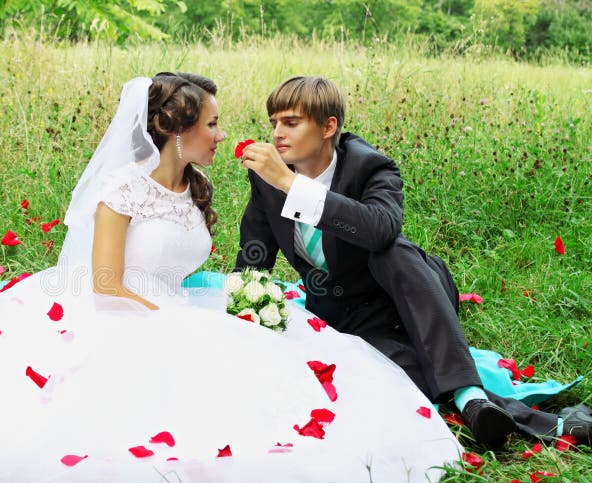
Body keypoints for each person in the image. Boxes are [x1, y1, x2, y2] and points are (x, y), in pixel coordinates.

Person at [0, 73, 463, 483]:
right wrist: (179, 318)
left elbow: (246, 252)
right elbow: (108, 282)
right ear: (176, 132)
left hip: (172, 306)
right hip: (111, 311)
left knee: (279, 360)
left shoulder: (194, 188)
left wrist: (248, 292)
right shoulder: (121, 189)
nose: (219, 135)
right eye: (210, 124)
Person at [235, 75, 592, 449]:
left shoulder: (370, 167)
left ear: (328, 127)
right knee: (390, 372)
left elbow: (380, 229)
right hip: (349, 317)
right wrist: (240, 323)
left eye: (290, 122)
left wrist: (292, 186)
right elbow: (254, 257)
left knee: (391, 249)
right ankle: (499, 409)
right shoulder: (266, 181)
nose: (277, 133)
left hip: (409, 296)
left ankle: (471, 395)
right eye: (273, 122)